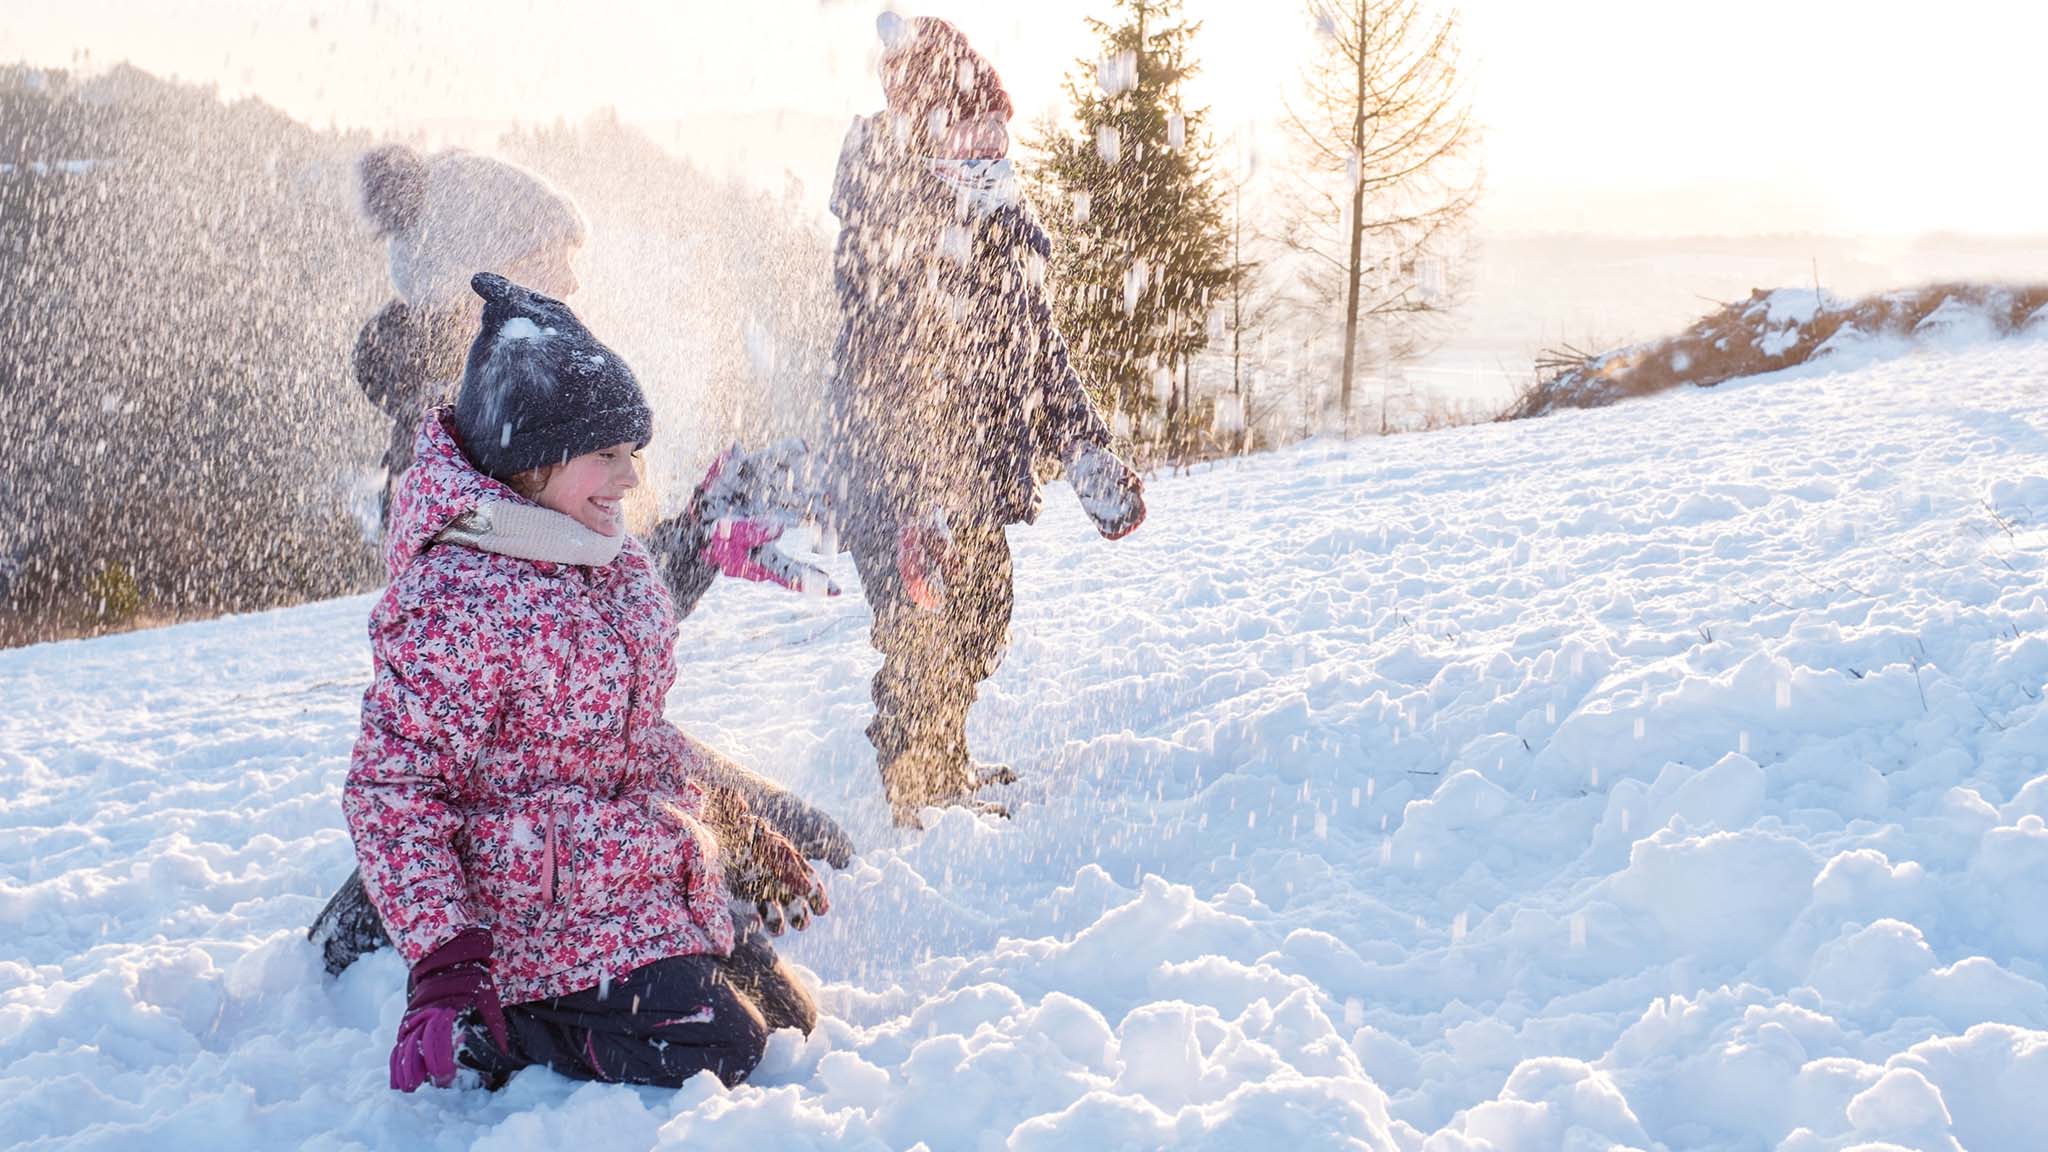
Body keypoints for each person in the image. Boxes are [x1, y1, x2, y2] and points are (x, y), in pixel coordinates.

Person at [314, 146, 853, 978]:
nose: (571, 300)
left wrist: (696, 538)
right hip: (522, 791)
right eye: (549, 277)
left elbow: (589, 604)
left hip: (588, 737)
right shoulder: (459, 455)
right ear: (474, 281)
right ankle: (383, 922)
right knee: (762, 849)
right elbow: (535, 639)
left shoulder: (523, 407)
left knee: (801, 833)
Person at [342, 273, 832, 1092]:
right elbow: (393, 790)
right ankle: (506, 1031)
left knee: (788, 1023)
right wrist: (445, 959)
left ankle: (636, 967)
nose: (631, 478)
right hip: (526, 919)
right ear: (530, 465)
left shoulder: (607, 562)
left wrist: (733, 828)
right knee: (725, 1050)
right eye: (604, 455)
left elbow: (635, 742)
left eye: (632, 453)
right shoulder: (460, 597)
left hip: (623, 874)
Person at [826, 13, 1148, 826]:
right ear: (925, 136)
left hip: (968, 472)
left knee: (983, 607)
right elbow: (895, 379)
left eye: (997, 130)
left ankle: (942, 759)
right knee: (924, 624)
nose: (992, 147)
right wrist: (917, 504)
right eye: (972, 131)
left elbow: (1042, 352)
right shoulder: (894, 232)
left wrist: (1086, 455)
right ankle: (917, 788)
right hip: (896, 477)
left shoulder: (1000, 221)